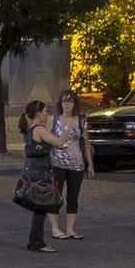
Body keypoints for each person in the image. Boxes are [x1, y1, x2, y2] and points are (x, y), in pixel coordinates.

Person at [46, 89, 92, 240]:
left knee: (73, 196)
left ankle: (71, 229)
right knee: (56, 196)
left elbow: (86, 143)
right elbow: (46, 140)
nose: (67, 104)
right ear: (60, 103)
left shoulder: (81, 120)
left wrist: (90, 164)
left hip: (76, 163)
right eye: (64, 101)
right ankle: (55, 228)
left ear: (74, 104)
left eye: (70, 101)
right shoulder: (53, 120)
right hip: (57, 163)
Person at [18, 98, 61, 253]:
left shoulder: (30, 129)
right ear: (38, 114)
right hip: (40, 173)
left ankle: (36, 241)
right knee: (41, 207)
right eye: (45, 111)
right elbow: (59, 142)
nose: (47, 114)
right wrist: (68, 129)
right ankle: (36, 242)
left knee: (39, 207)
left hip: (33, 171)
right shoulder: (39, 130)